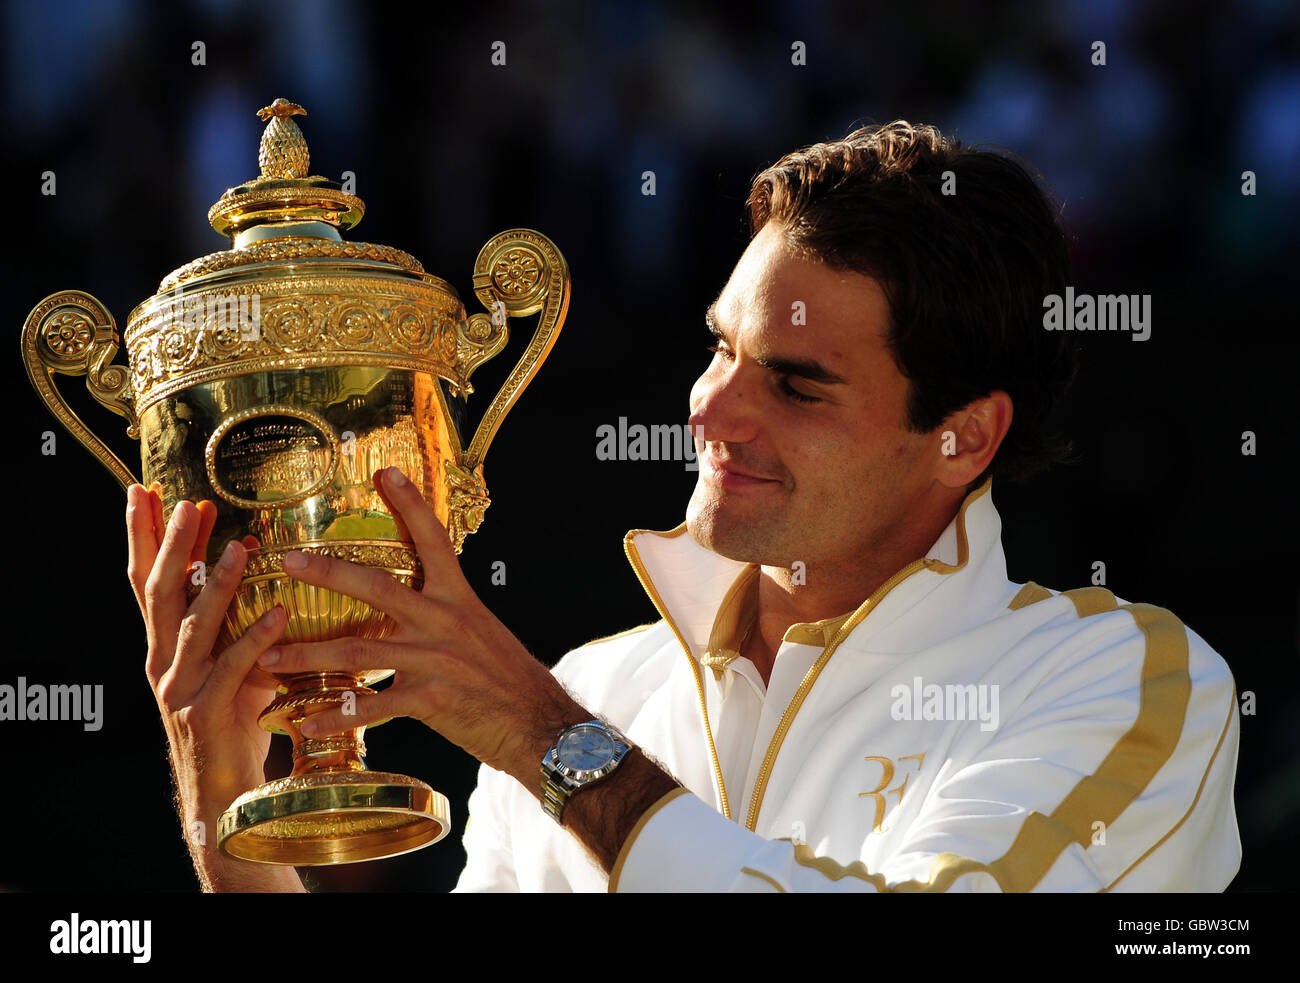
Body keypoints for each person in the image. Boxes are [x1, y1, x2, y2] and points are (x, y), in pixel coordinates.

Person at [127, 120, 1241, 892]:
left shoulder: (1129, 681)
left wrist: (543, 737)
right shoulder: (600, 687)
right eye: (721, 346)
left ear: (966, 436)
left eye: (796, 383)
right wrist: (223, 791)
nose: (712, 411)